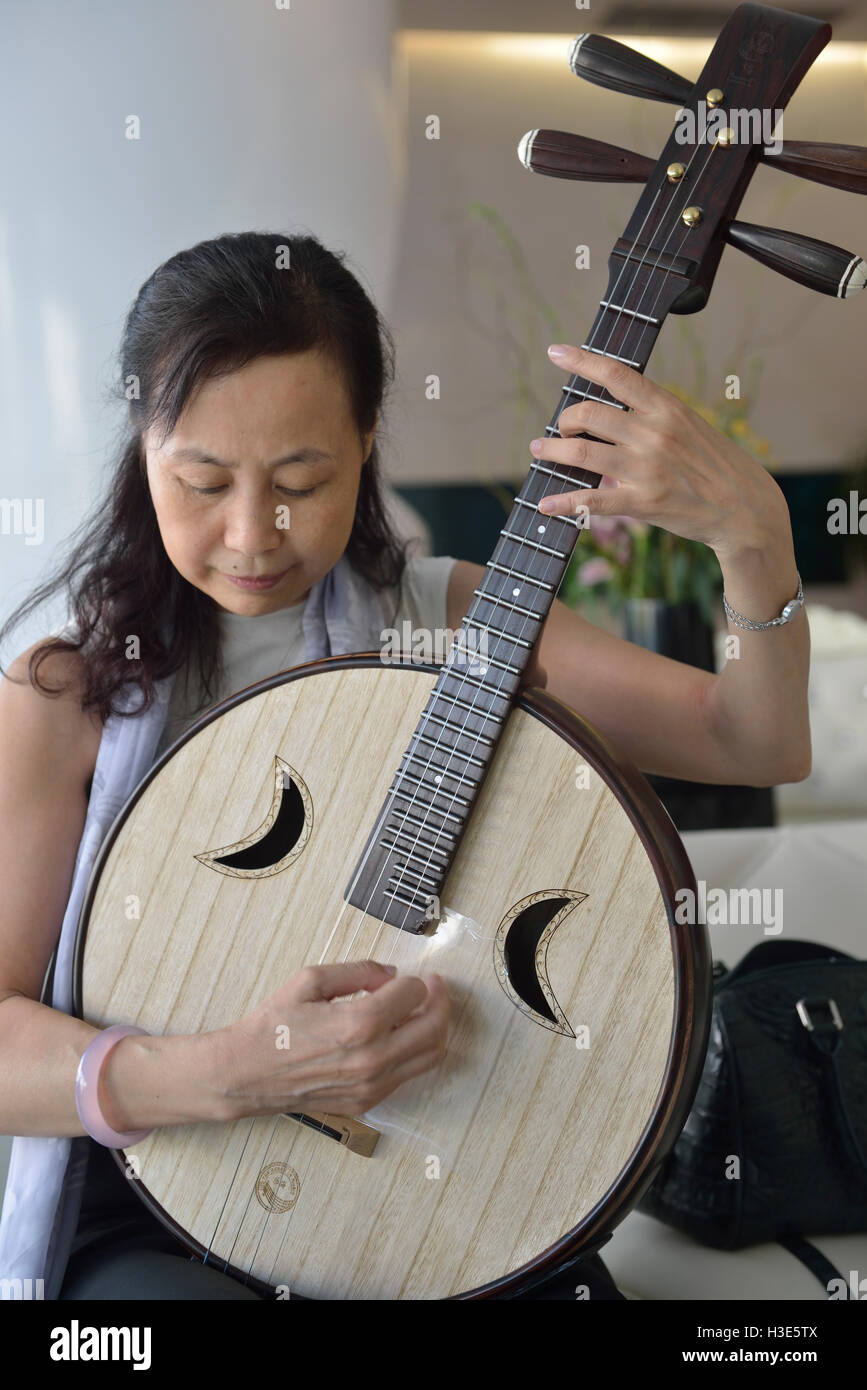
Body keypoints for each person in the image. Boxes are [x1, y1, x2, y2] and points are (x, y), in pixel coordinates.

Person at [0, 231, 810, 1302]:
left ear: (368, 439)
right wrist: (235, 1072)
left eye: (303, 477)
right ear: (143, 447)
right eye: (202, 480)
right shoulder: (66, 698)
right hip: (166, 1194)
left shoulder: (453, 619)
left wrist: (755, 536)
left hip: (448, 1175)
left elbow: (749, 740)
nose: (254, 531)